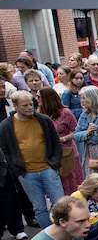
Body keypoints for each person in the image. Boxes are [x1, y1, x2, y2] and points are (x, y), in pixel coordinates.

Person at [0, 90, 64, 227]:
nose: (30, 108)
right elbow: (5, 151)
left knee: (60, 203)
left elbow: (56, 142)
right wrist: (16, 169)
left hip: (48, 168)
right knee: (39, 208)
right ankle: (49, 237)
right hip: (26, 173)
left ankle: (65, 233)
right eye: (25, 105)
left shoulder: (43, 120)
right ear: (15, 106)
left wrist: (55, 163)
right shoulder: (6, 126)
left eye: (31, 104)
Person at [38, 88, 84, 196]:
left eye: (39, 97)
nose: (37, 99)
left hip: (66, 153)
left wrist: (61, 139)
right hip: (49, 153)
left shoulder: (65, 113)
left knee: (70, 184)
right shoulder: (39, 113)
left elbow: (76, 131)